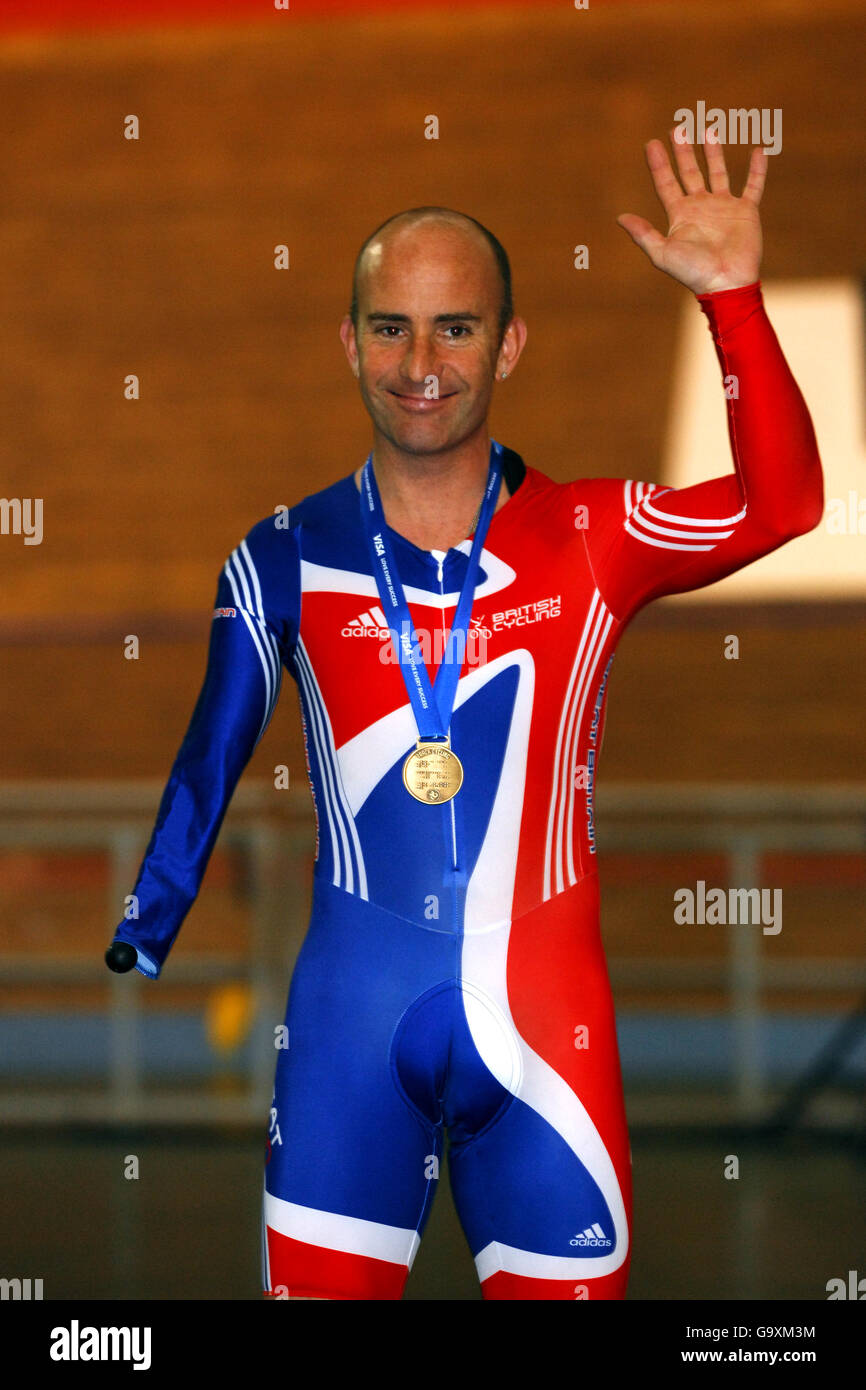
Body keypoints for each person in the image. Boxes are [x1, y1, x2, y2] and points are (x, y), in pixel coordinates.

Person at [106, 131, 823, 1300]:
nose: (420, 360)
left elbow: (783, 502)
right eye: (389, 325)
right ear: (348, 342)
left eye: (457, 326)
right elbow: (209, 752)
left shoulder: (593, 537)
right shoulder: (280, 556)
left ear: (510, 342)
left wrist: (732, 304)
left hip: (549, 1044)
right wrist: (153, 908)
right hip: (344, 1039)